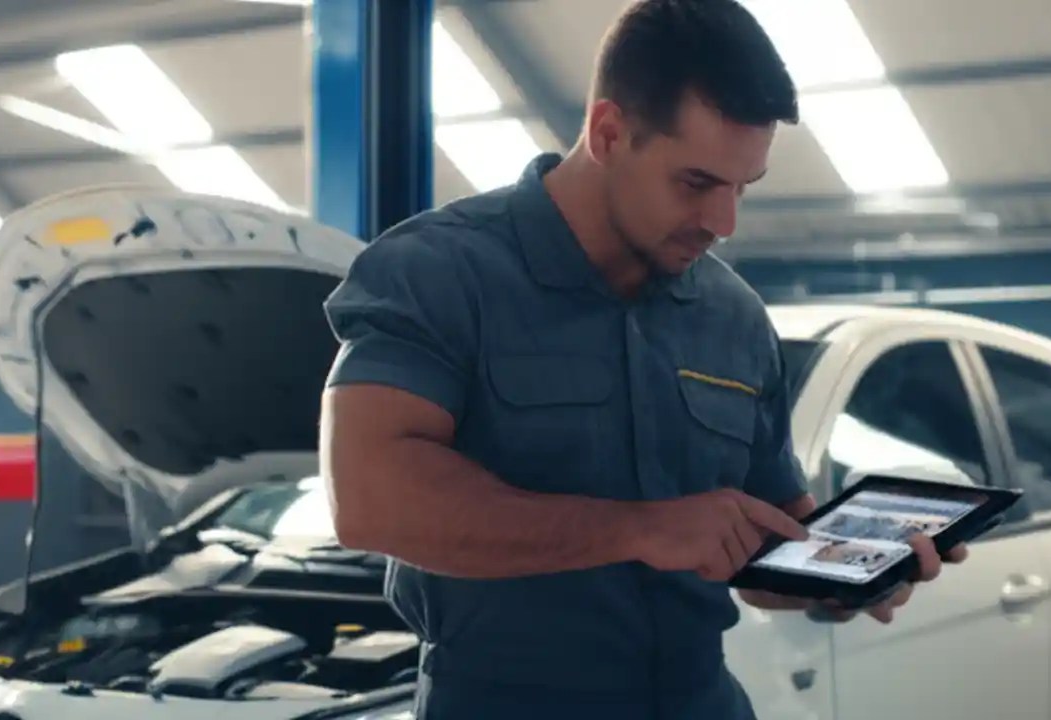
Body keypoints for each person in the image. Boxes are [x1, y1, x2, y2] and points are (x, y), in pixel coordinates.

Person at [319, 1, 968, 717]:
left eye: (741, 188)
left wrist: (845, 575)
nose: (723, 224)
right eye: (696, 183)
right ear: (607, 132)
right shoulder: (435, 273)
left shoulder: (735, 318)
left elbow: (761, 545)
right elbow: (368, 500)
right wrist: (638, 528)